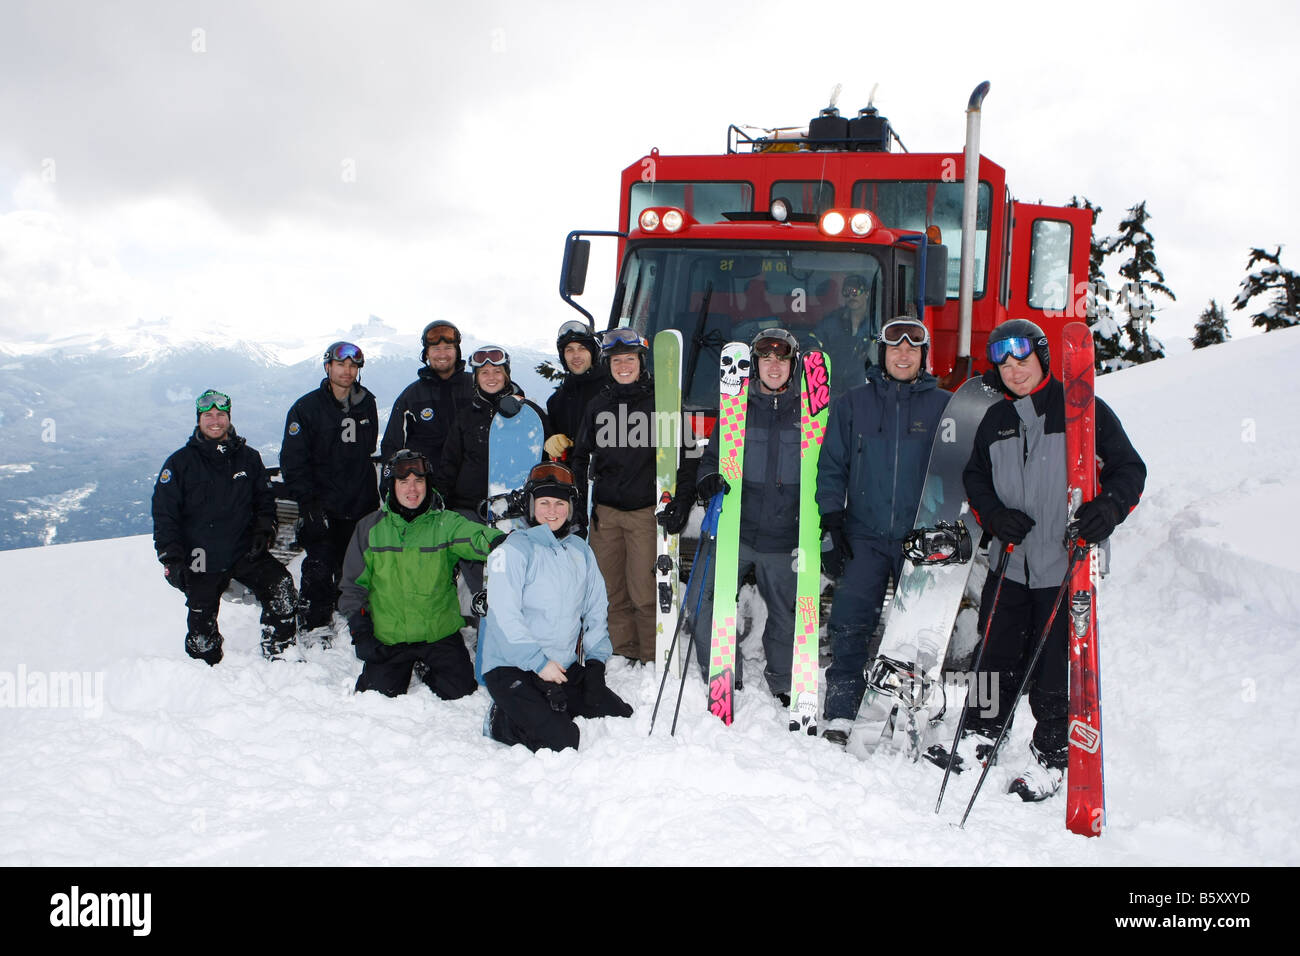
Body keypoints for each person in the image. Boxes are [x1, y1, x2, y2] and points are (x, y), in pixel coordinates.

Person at [961, 318, 1145, 801]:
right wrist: (996, 517)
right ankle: (981, 735)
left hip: (1063, 571)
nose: (1014, 370)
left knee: (1054, 670)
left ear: (1042, 357)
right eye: (1003, 363)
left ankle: (1050, 756)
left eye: (1022, 359)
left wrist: (1109, 507)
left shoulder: (1083, 409)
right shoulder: (994, 420)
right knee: (992, 659)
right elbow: (974, 479)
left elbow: (1130, 469)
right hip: (1009, 565)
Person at [816, 317, 951, 746]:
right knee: (850, 624)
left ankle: (911, 709)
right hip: (864, 535)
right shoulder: (853, 404)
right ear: (883, 354)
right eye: (896, 348)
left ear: (923, 356)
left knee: (917, 632)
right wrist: (831, 522)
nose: (904, 354)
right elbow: (832, 466)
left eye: (913, 349)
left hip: (920, 540)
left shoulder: (944, 407)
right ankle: (841, 709)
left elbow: (961, 469)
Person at [480, 462, 634, 752]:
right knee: (562, 740)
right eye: (544, 503)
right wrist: (538, 664)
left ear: (571, 507)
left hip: (559, 666)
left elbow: (596, 607)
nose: (552, 510)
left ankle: (546, 703)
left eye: (560, 503)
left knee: (618, 713)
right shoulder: (513, 551)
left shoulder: (580, 551)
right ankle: (502, 719)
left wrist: (596, 664)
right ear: (530, 505)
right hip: (513, 667)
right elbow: (504, 617)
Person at [687, 328, 804, 704]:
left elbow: (827, 470)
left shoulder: (810, 416)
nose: (774, 365)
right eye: (766, 358)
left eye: (781, 358)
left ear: (793, 365)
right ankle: (723, 668)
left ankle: (784, 679)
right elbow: (710, 460)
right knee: (704, 599)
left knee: (788, 615)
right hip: (735, 528)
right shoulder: (736, 410)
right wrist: (708, 481)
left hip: (784, 534)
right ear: (754, 366)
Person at [339, 450, 502, 697]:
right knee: (376, 697)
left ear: (428, 484)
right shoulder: (370, 528)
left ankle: (426, 667)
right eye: (404, 482)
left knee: (460, 691)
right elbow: (352, 586)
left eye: (419, 481)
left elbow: (473, 535)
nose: (412, 489)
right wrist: (360, 629)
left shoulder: (446, 523)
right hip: (390, 638)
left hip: (438, 635)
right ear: (391, 486)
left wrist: (500, 543)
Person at [152, 389, 298, 664]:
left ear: (229, 418)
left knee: (281, 586)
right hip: (201, 558)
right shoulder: (180, 464)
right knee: (201, 627)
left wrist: (264, 531)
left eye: (221, 415)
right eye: (208, 415)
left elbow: (264, 501)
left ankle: (281, 650)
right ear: (199, 420)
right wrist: (171, 558)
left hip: (243, 551)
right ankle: (206, 671)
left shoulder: (248, 458)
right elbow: (164, 514)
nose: (215, 420)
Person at [433, 345, 550, 601]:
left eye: (497, 371)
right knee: (478, 565)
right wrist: (439, 498)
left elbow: (546, 451)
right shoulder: (466, 417)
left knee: (516, 569)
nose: (491, 377)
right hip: (471, 507)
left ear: (506, 374)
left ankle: (519, 614)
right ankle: (485, 614)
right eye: (484, 372)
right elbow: (450, 462)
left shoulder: (528, 413)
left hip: (518, 508)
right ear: (475, 378)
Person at [569, 328, 658, 663]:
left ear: (640, 362)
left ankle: (650, 655)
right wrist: (580, 501)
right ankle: (622, 651)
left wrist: (678, 499)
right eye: (617, 360)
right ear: (608, 364)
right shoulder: (599, 404)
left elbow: (685, 455)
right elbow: (580, 456)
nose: (624, 366)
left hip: (643, 512)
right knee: (609, 591)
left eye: (630, 359)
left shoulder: (659, 403)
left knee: (644, 592)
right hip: (604, 512)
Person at [280, 341, 380, 638]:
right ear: (328, 367)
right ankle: (313, 621)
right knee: (320, 563)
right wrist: (309, 504)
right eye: (341, 365)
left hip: (359, 501)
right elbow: (293, 461)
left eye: (353, 366)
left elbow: (367, 449)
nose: (347, 371)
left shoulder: (367, 403)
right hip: (322, 504)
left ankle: (352, 610)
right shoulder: (306, 408)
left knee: (359, 565)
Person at [380, 320, 473, 468]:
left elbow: (504, 393)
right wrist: (390, 488)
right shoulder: (411, 397)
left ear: (457, 352)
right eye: (436, 348)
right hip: (428, 485)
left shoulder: (476, 386)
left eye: (448, 348)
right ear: (427, 354)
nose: (442, 354)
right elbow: (391, 447)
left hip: (472, 485)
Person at [543, 320, 609, 463]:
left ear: (593, 353)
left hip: (609, 479)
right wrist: (549, 443)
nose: (576, 355)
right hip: (571, 480)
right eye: (569, 350)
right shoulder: (557, 401)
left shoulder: (611, 389)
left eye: (582, 348)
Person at [813, 272, 881, 391]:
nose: (851, 297)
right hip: (832, 387)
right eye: (846, 292)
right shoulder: (832, 321)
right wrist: (813, 350)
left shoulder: (877, 323)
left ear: (867, 293)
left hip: (865, 389)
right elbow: (813, 339)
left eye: (855, 292)